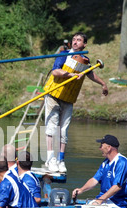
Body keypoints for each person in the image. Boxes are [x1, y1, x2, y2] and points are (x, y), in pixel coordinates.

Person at [43, 32, 108, 174]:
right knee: (52, 128)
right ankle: (50, 159)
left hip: (69, 98)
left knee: (63, 130)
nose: (75, 42)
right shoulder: (63, 54)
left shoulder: (85, 60)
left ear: (84, 44)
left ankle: (60, 160)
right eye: (74, 39)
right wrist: (71, 74)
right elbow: (55, 72)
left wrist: (103, 83)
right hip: (54, 94)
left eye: (79, 40)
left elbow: (90, 73)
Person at [72, 135, 127, 208]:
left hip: (117, 203)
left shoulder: (122, 162)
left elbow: (117, 187)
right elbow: (94, 180)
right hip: (104, 200)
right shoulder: (105, 163)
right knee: (77, 207)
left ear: (109, 148)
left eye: (101, 146)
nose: (99, 148)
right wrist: (81, 189)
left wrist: (99, 201)